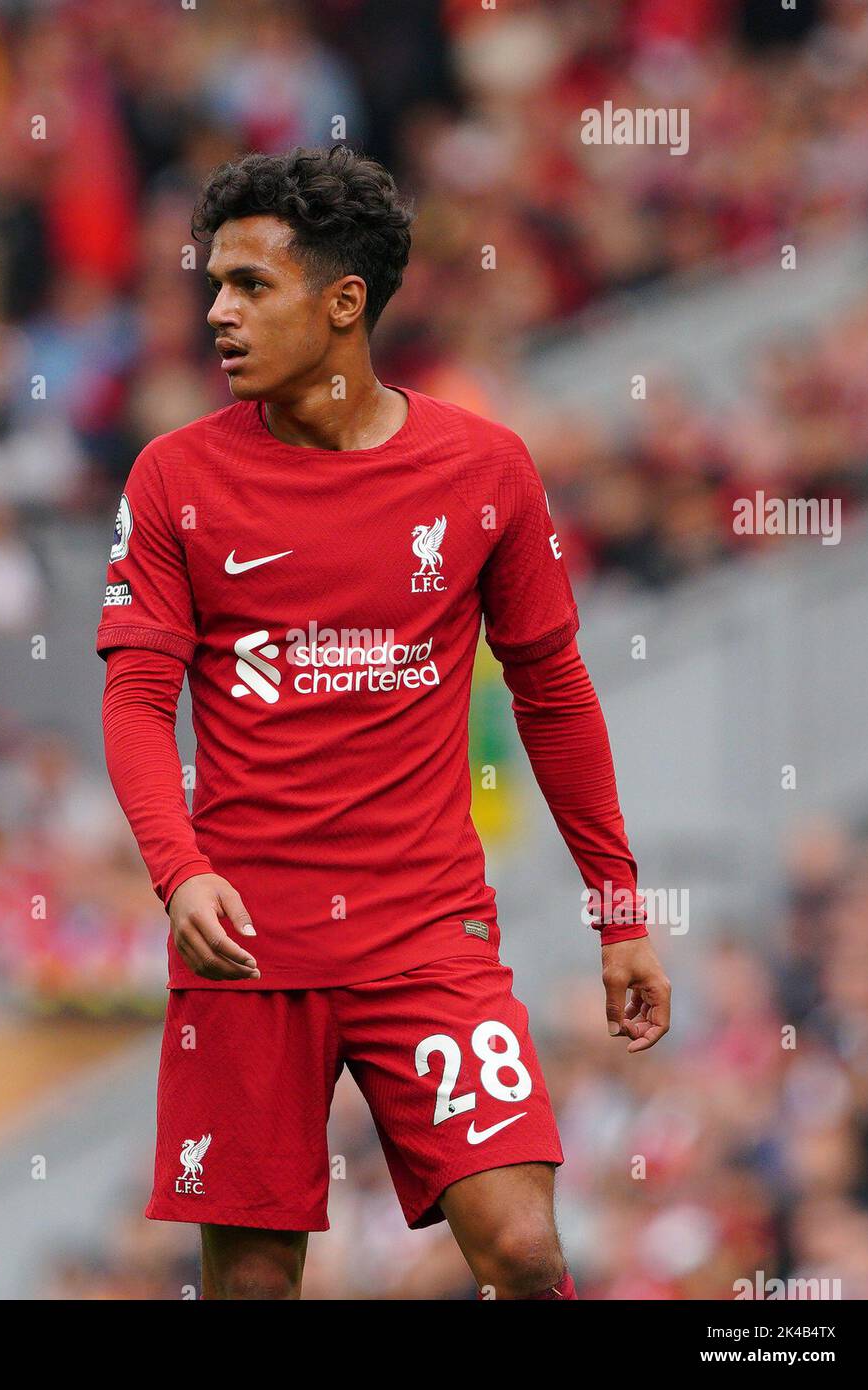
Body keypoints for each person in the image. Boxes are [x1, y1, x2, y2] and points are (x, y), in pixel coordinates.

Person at [98, 145, 671, 1300]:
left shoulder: (484, 470)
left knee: (520, 1243)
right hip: (245, 946)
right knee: (253, 1284)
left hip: (425, 933)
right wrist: (177, 869)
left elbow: (553, 691)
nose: (216, 313)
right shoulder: (173, 479)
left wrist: (617, 907)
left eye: (250, 285)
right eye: (213, 284)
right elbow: (132, 698)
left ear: (342, 302)